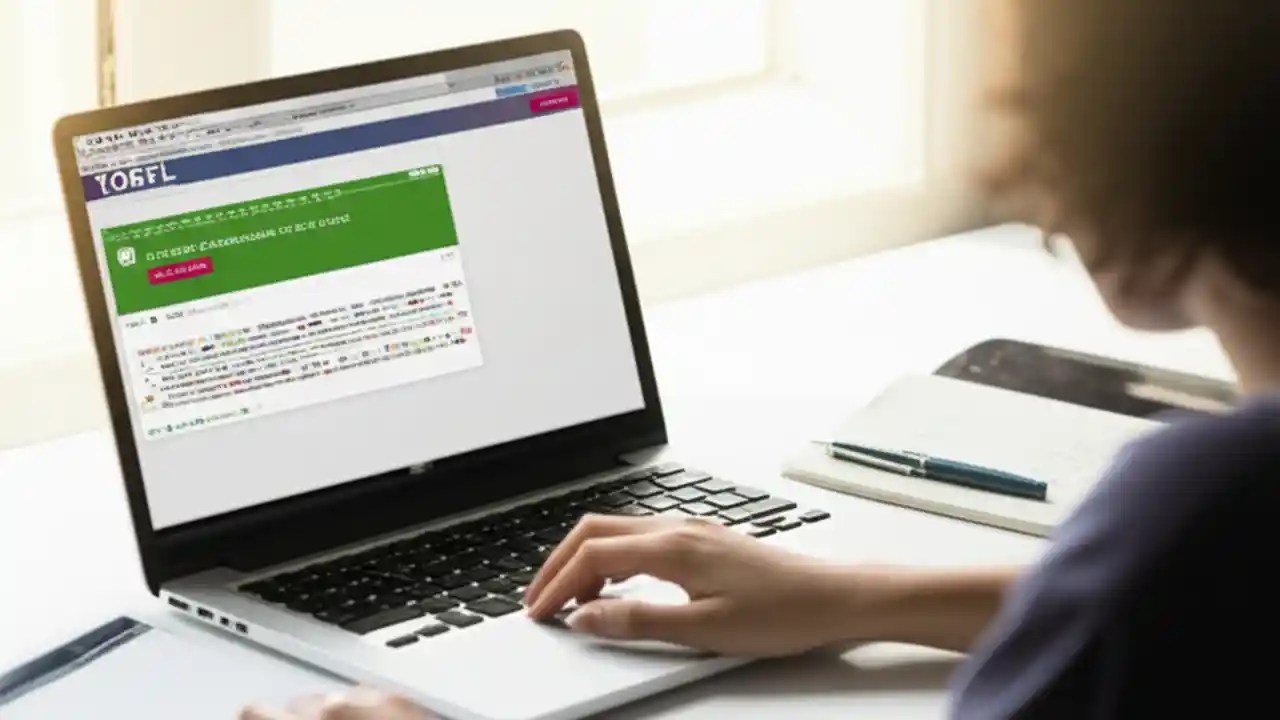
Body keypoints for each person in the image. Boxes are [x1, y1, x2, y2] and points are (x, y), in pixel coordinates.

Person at [240, 1, 1280, 717]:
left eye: (1028, 77)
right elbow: (1200, 615)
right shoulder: (1206, 538)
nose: (1007, 152)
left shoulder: (1206, 509)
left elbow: (1179, 586)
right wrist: (862, 596)